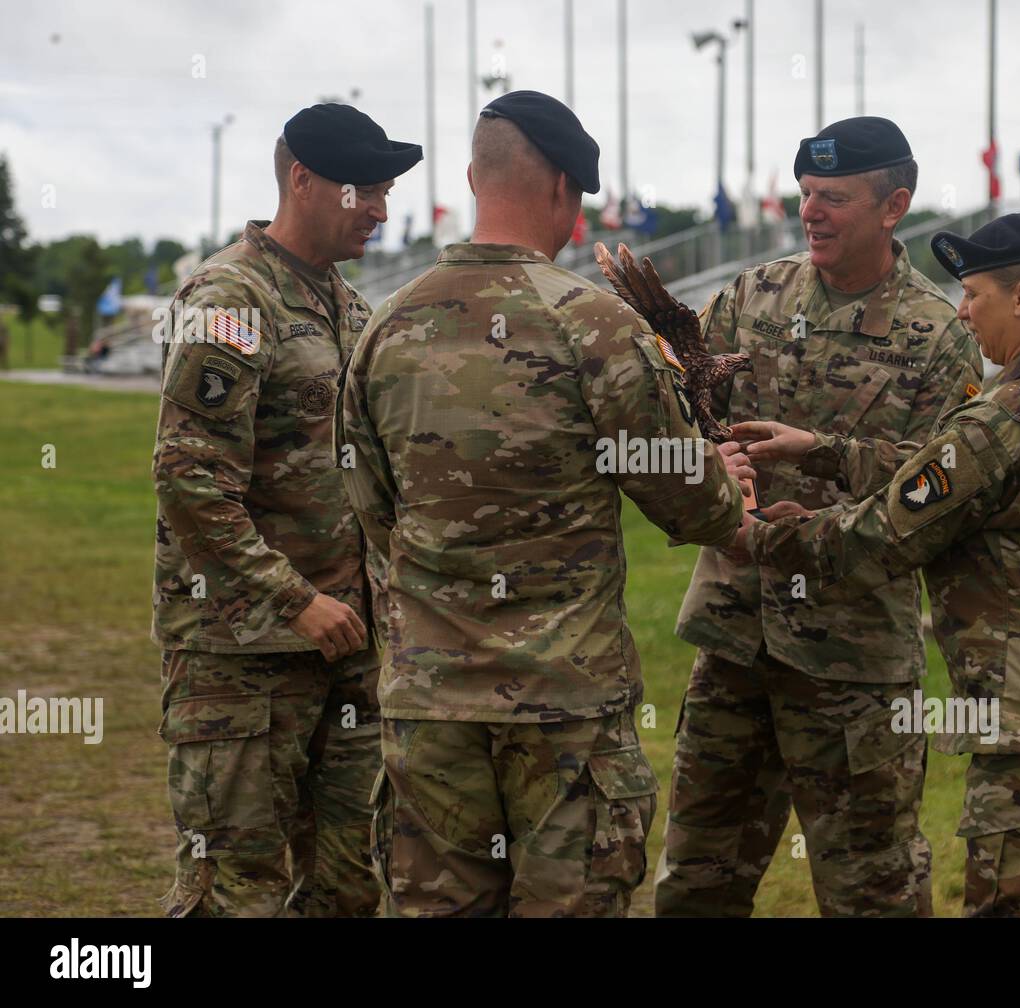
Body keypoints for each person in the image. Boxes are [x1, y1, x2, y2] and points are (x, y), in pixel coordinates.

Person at [338, 90, 745, 918]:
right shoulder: (596, 325)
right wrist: (725, 481)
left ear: (470, 177)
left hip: (430, 705)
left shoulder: (385, 327)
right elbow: (691, 505)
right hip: (564, 710)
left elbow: (373, 504)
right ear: (563, 187)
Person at [732, 213, 1020, 917]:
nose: (961, 312)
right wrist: (824, 448)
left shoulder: (1006, 418)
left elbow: (882, 536)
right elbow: (952, 481)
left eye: (973, 294)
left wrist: (754, 536)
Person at [656, 117, 983, 918]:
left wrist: (829, 449)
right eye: (806, 194)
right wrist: (701, 460)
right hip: (735, 637)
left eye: (834, 197)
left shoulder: (938, 339)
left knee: (871, 890)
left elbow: (941, 494)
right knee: (696, 881)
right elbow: (694, 415)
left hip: (854, 662)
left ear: (893, 205)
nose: (812, 212)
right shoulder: (756, 296)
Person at [152, 103, 421, 917]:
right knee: (233, 893)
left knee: (347, 886)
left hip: (347, 648)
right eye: (362, 191)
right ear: (301, 180)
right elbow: (188, 477)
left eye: (383, 193)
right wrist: (295, 601)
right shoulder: (230, 298)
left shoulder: (350, 310)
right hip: (244, 656)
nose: (378, 210)